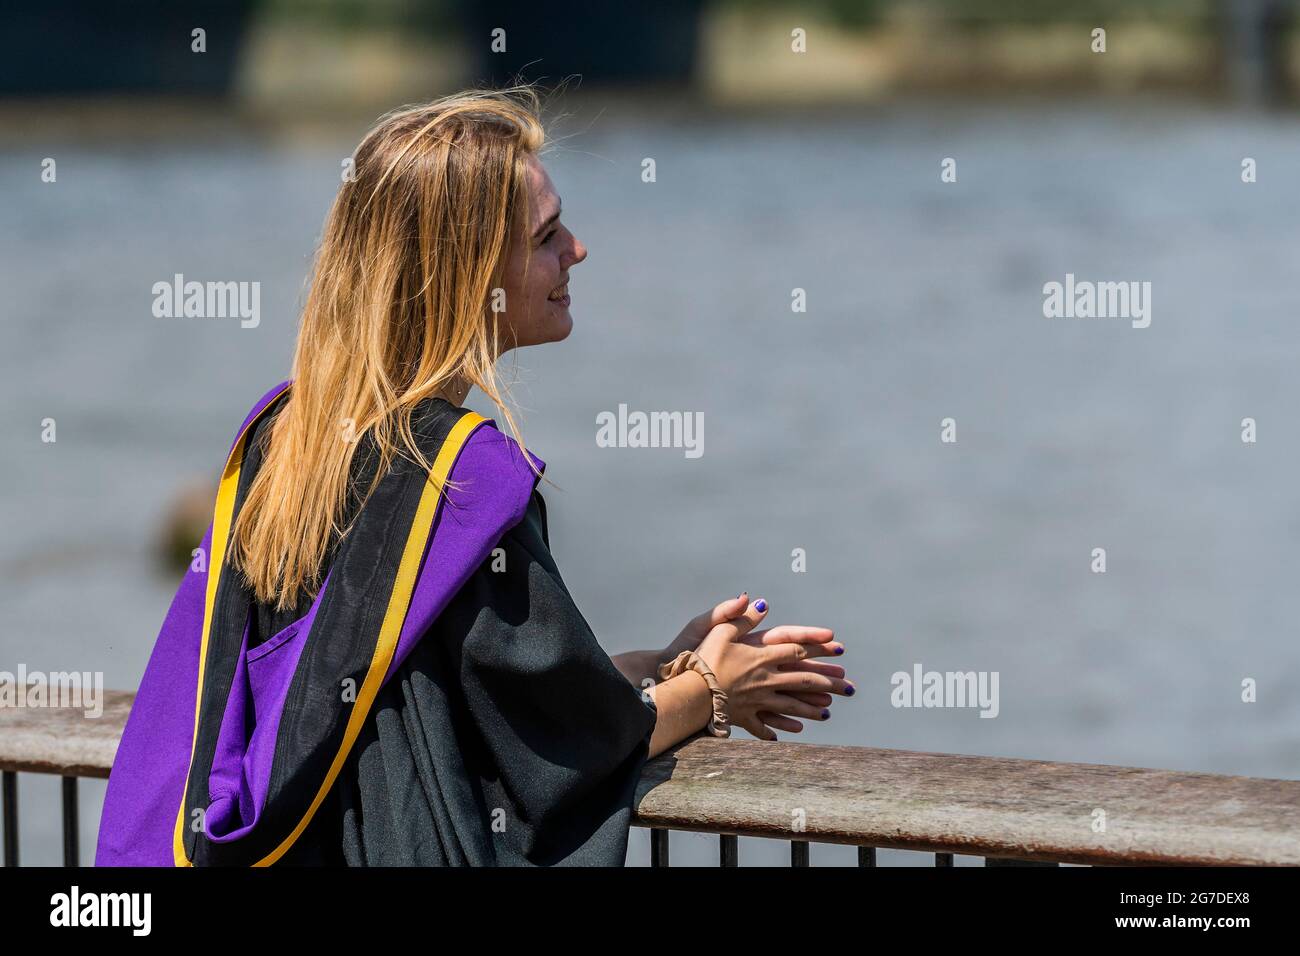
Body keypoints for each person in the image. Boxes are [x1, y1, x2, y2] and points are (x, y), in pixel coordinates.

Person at [95, 87, 852, 867]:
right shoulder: (461, 477)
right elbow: (564, 757)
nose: (578, 251)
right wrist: (709, 692)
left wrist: (656, 666)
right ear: (468, 274)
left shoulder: (282, 441)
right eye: (548, 235)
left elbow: (446, 696)